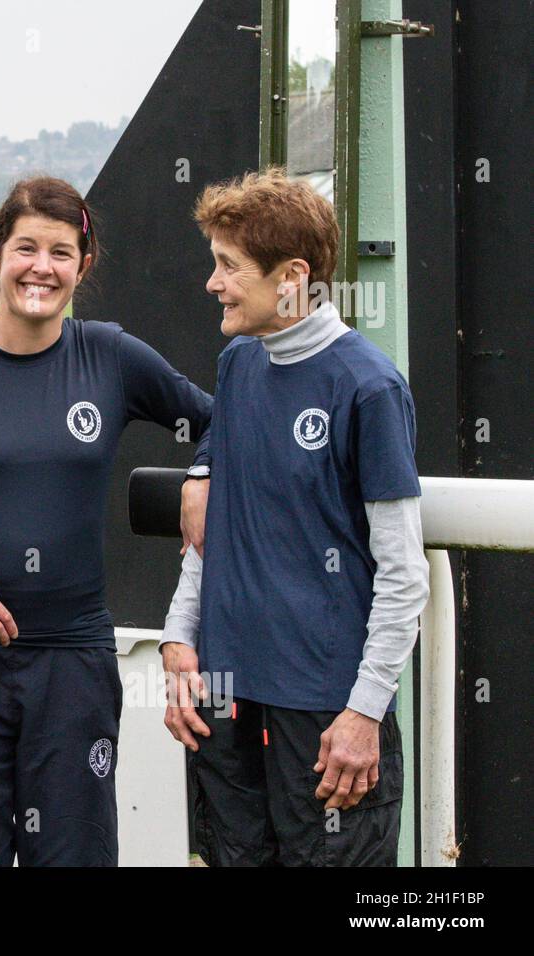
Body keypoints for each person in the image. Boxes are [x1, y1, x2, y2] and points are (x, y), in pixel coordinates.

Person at [0, 176, 212, 866]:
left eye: (61, 253)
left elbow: (221, 419)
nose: (42, 267)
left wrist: (202, 476)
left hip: (72, 663)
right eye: (26, 247)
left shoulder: (111, 355)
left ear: (82, 267)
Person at [160, 168, 430, 866]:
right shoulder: (238, 364)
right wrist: (179, 641)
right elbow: (211, 530)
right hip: (222, 699)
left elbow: (405, 573)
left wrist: (366, 711)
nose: (212, 284)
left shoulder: (368, 388)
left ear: (292, 277)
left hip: (327, 714)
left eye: (228, 266)